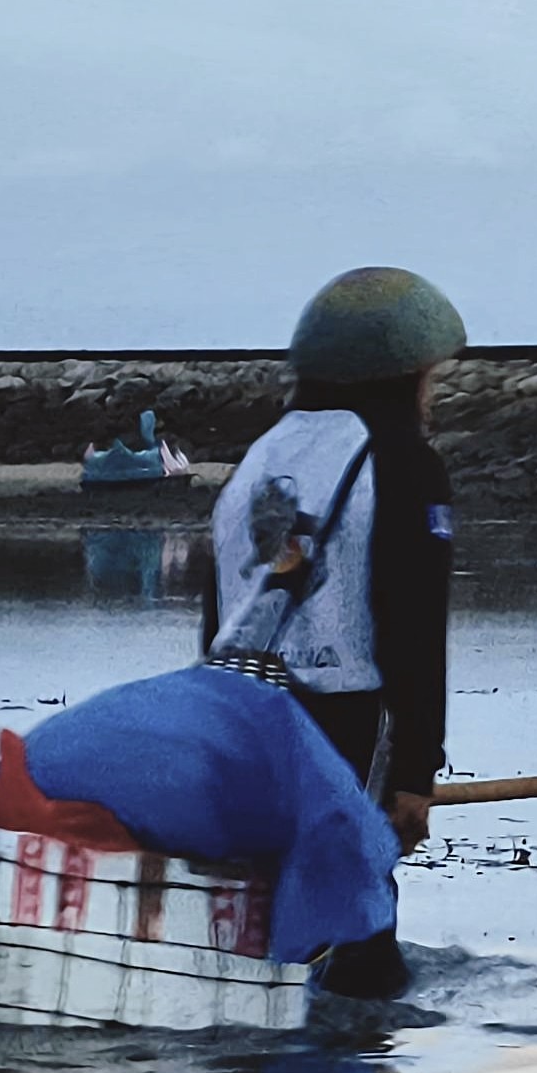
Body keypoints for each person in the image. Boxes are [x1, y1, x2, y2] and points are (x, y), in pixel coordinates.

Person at [201, 267, 463, 996]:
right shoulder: (403, 463)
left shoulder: (262, 458)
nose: (432, 396)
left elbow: (222, 608)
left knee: (265, 901)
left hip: (235, 713)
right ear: (403, 374)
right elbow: (414, 619)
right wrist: (415, 770)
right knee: (358, 931)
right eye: (430, 379)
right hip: (346, 714)